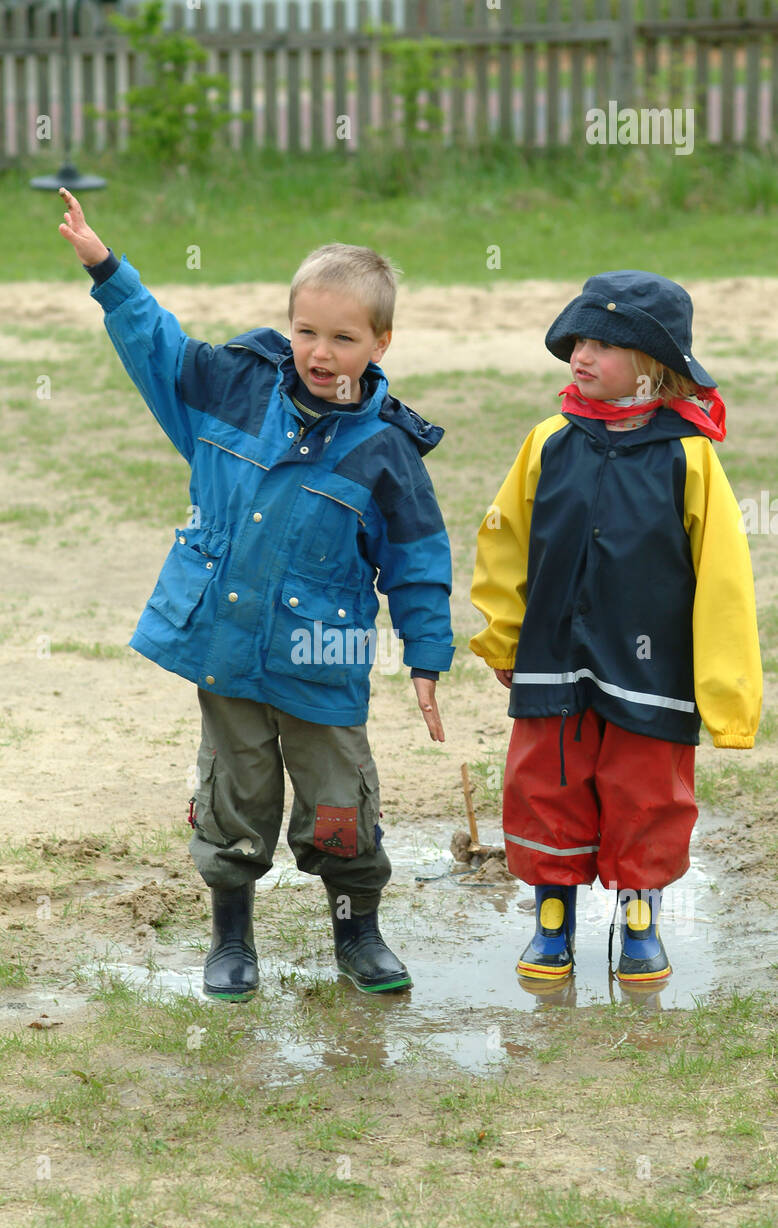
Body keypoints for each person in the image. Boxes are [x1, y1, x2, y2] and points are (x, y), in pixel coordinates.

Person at [57, 188, 454, 1001]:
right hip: (226, 647)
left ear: (381, 342)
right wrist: (109, 272)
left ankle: (359, 932)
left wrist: (427, 655)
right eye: (307, 330)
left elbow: (417, 560)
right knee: (233, 796)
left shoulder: (386, 450)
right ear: (290, 325)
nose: (320, 350)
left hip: (325, 656)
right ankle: (231, 939)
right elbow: (157, 350)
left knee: (338, 805)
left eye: (344, 337)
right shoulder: (230, 390)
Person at [470, 269, 761, 990]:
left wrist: (723, 694)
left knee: (646, 792)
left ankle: (640, 913)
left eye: (603, 344)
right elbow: (505, 541)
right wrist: (504, 635)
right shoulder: (548, 441)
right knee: (546, 784)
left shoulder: (688, 455)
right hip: (554, 659)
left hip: (651, 667)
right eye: (578, 340)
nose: (581, 355)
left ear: (652, 367)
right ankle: (552, 916)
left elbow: (723, 578)